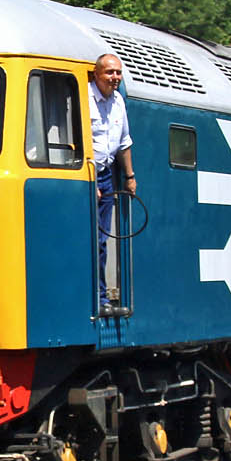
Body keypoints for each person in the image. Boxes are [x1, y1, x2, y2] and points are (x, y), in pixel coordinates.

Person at [90, 53, 135, 304]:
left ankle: (101, 295)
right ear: (97, 74)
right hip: (88, 176)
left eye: (118, 72)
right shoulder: (85, 99)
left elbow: (124, 143)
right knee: (90, 238)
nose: (115, 77)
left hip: (107, 176)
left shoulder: (118, 101)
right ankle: (95, 296)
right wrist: (90, 182)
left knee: (102, 239)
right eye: (109, 72)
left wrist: (129, 176)